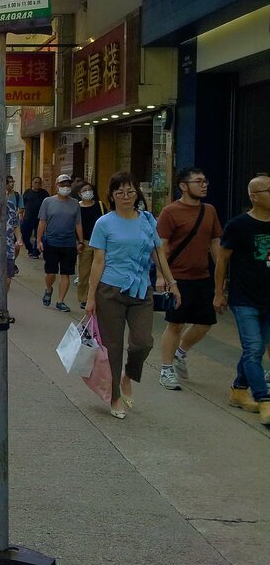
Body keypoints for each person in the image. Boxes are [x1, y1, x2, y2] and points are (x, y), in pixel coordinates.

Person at [86, 172, 179, 419]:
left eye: (130, 191)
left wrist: (169, 281)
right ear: (112, 196)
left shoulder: (148, 221)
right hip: (110, 290)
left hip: (141, 290)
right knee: (113, 346)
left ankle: (129, 375)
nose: (126, 197)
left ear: (137, 193)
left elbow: (158, 253)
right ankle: (115, 396)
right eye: (119, 192)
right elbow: (98, 261)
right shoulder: (104, 223)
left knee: (143, 342)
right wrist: (91, 297)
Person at [156, 167, 222, 391]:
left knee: (205, 322)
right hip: (178, 278)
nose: (204, 185)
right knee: (175, 323)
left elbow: (215, 244)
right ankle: (166, 370)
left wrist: (221, 278)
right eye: (198, 181)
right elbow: (161, 248)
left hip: (202, 277)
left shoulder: (210, 211)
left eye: (205, 181)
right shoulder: (170, 212)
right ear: (183, 186)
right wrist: (161, 277)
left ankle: (180, 353)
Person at [214, 175, 270, 424]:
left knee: (254, 350)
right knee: (254, 348)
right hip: (244, 297)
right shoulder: (238, 225)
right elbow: (223, 259)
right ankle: (264, 399)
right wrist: (218, 292)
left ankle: (238, 390)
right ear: (254, 196)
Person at [37, 174, 83, 312]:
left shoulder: (75, 203)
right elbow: (42, 221)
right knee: (51, 272)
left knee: (66, 273)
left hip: (69, 243)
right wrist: (39, 240)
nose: (66, 188)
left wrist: (80, 241)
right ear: (56, 186)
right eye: (63, 185)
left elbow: (78, 223)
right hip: (51, 242)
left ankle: (60, 301)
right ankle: (49, 288)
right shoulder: (48, 202)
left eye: (68, 185)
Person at [76, 181, 105, 310]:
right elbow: (75, 225)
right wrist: (79, 242)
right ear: (79, 194)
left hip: (100, 243)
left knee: (101, 271)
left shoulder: (100, 205)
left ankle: (97, 297)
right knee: (84, 272)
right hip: (85, 242)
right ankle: (83, 298)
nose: (88, 192)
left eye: (89, 189)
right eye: (84, 190)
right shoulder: (76, 207)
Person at [22, 176, 47, 258]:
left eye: (39, 183)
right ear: (32, 183)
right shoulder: (27, 192)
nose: (37, 184)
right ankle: (30, 249)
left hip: (39, 219)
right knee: (25, 236)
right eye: (35, 182)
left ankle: (35, 252)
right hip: (28, 218)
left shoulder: (44, 193)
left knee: (39, 236)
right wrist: (21, 215)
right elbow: (22, 205)